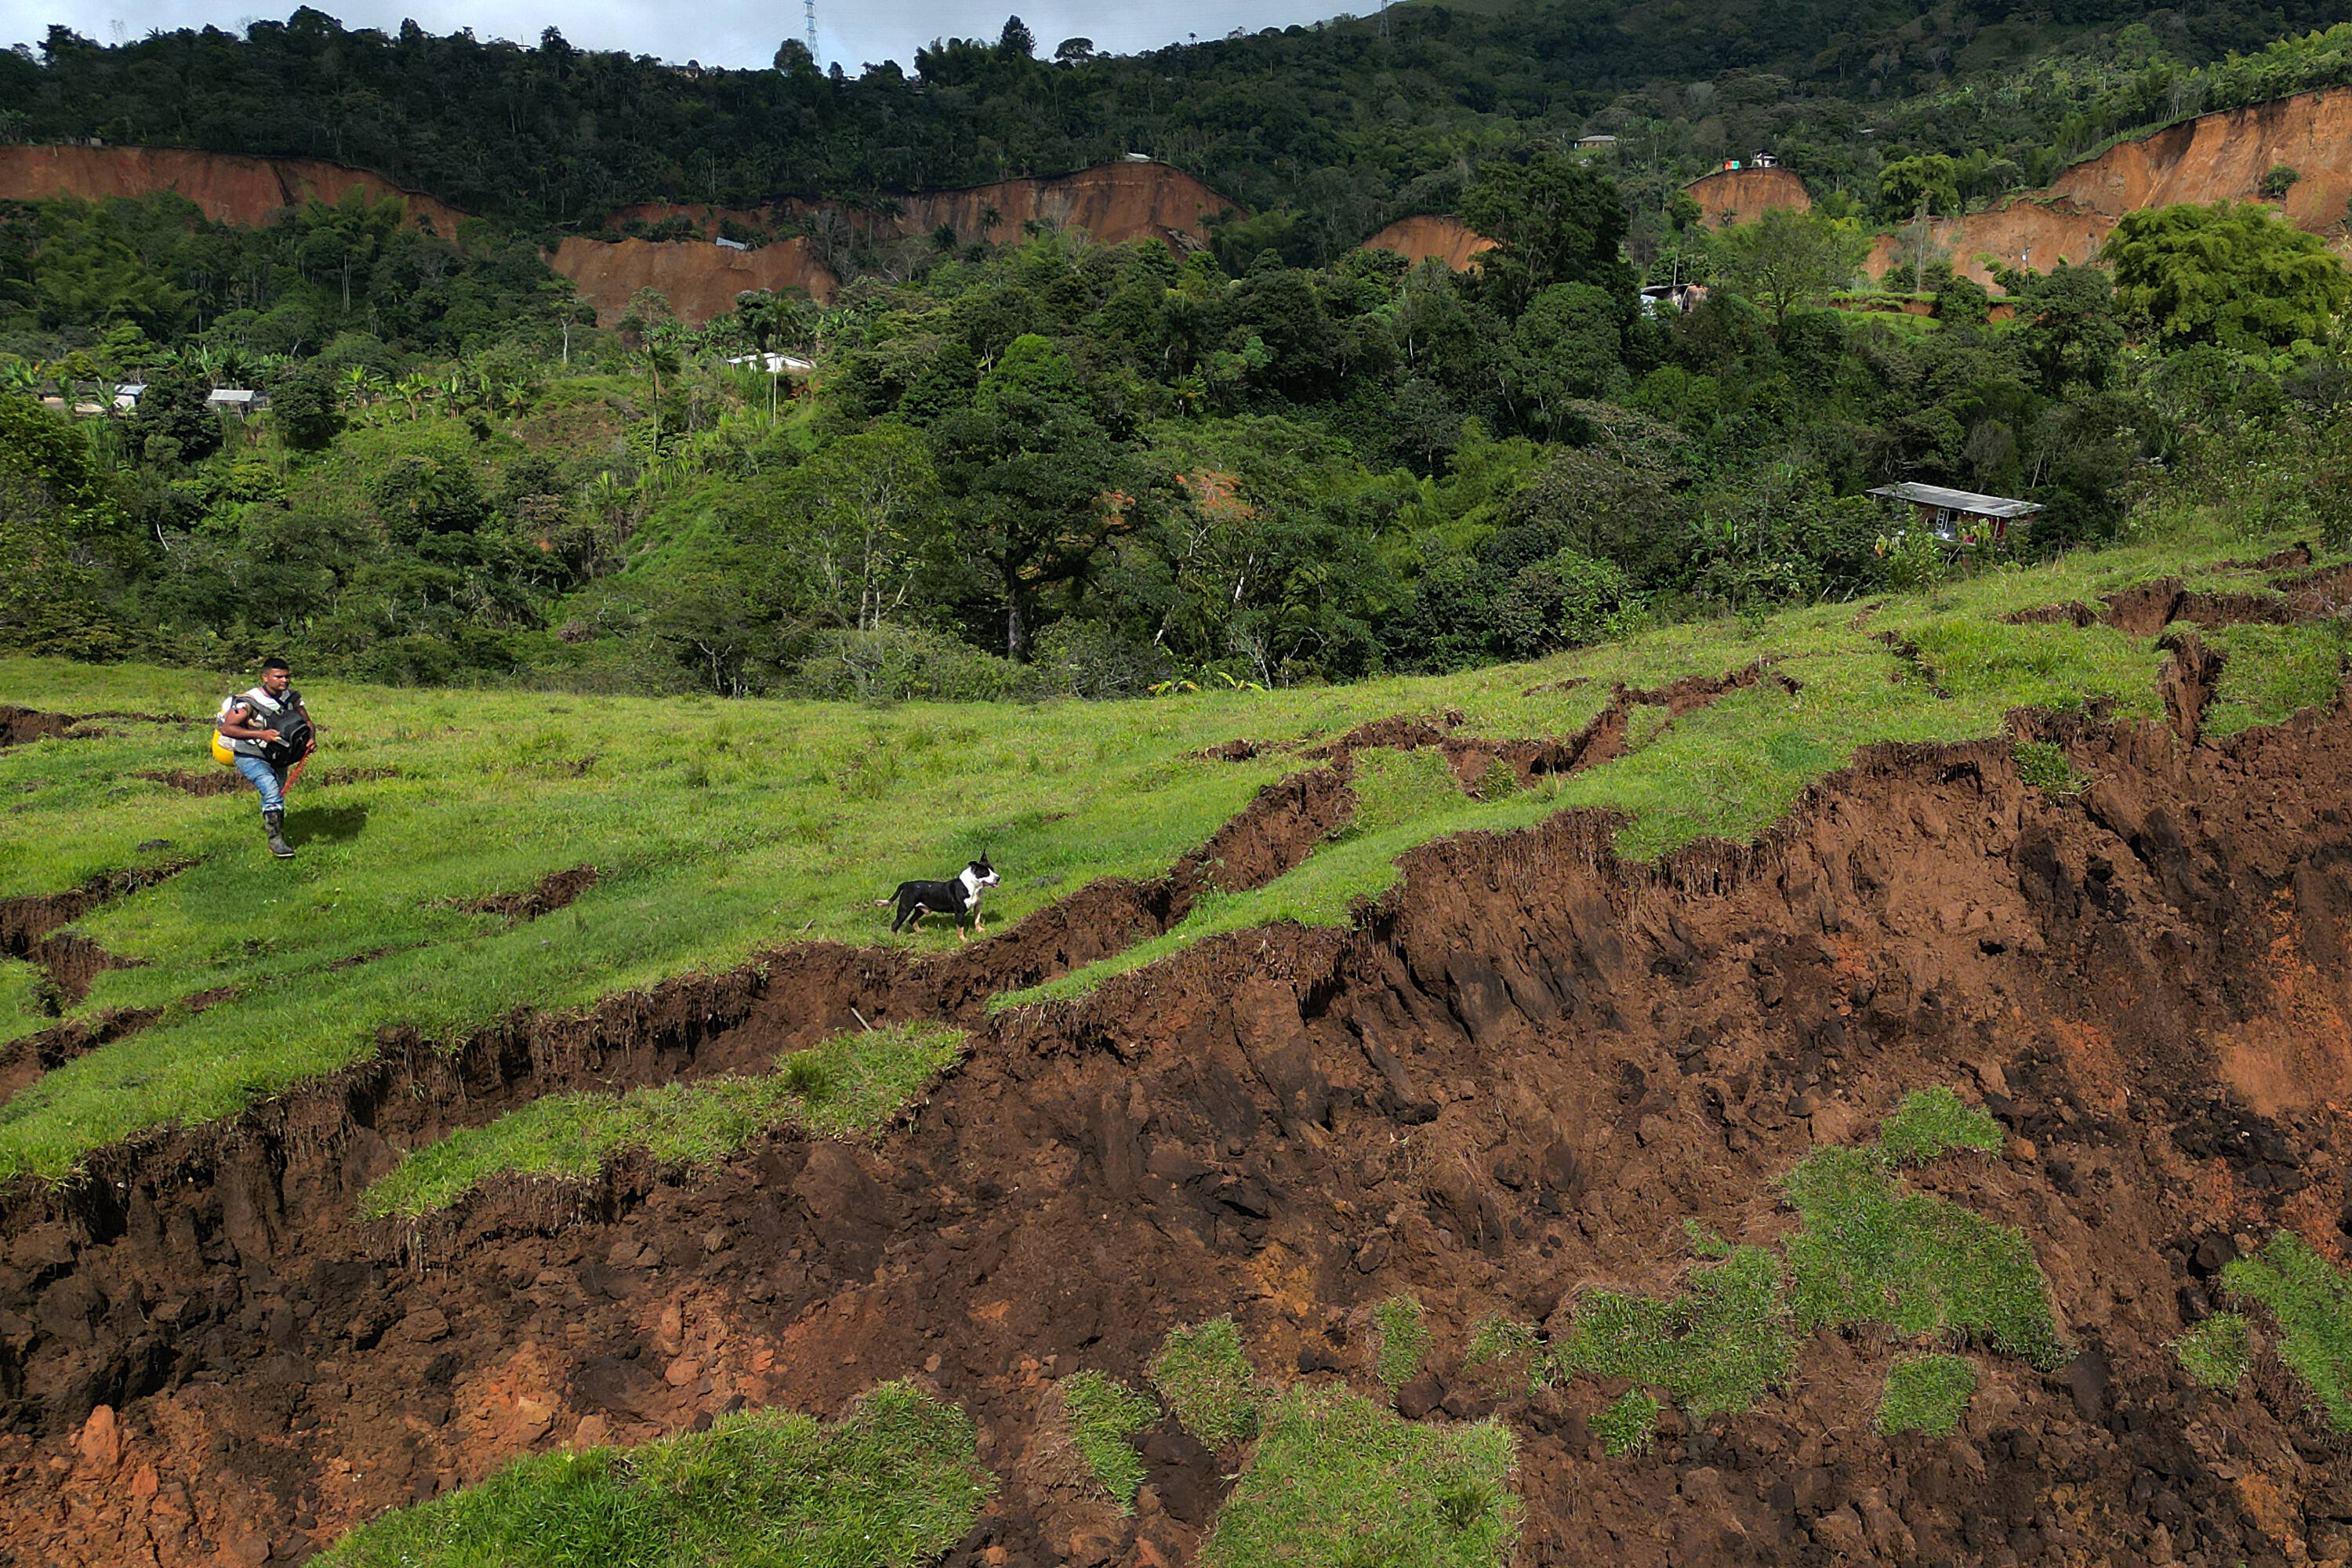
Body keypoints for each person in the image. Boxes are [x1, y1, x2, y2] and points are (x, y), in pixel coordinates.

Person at [216, 658, 314, 858]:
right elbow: (227, 728)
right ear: (265, 677)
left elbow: (307, 721)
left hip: (279, 757)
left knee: (277, 795)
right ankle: (277, 843)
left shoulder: (292, 698)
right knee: (271, 791)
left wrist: (311, 739)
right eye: (279, 676)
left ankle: (277, 832)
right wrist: (261, 735)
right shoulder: (247, 702)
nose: (284, 681)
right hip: (249, 755)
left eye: (287, 676)